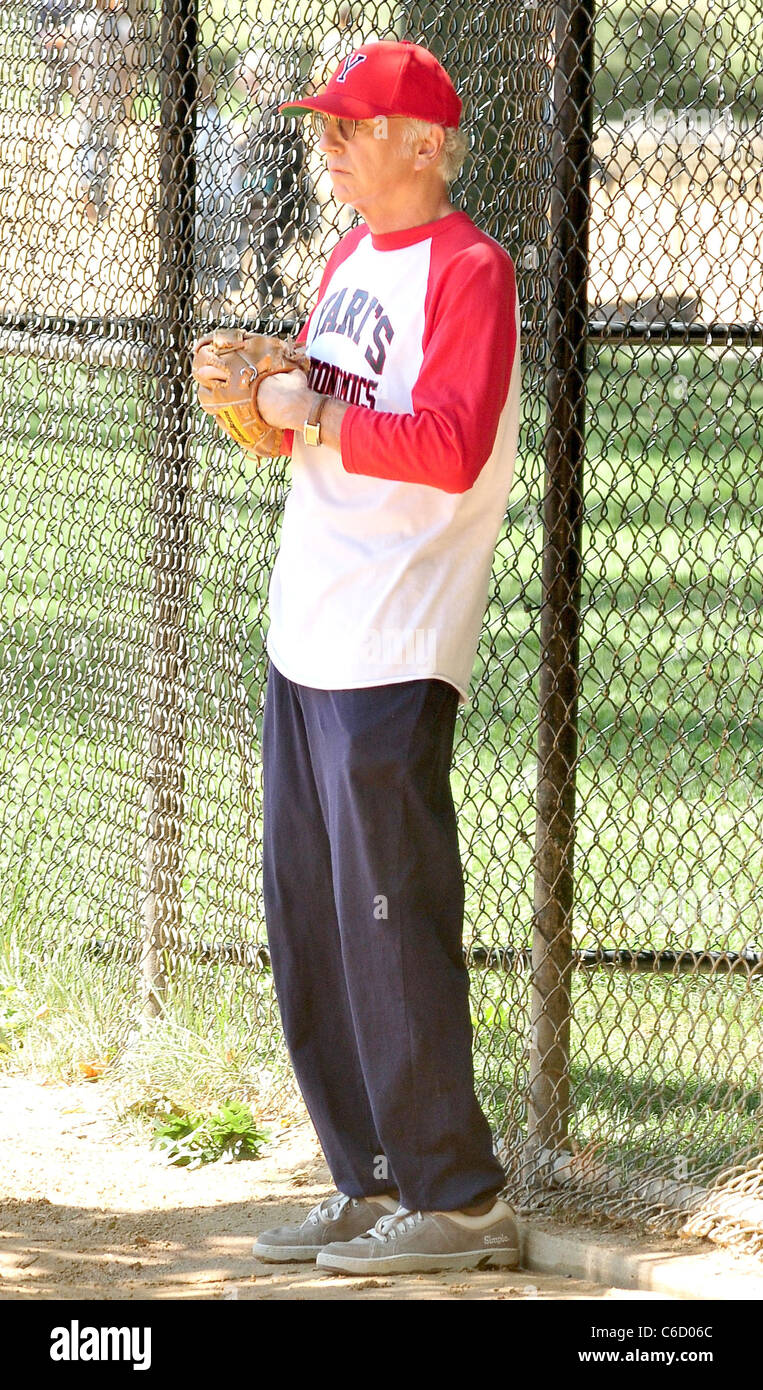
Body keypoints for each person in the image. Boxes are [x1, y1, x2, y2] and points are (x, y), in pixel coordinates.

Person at [193, 39, 522, 1276]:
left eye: (352, 122)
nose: (326, 138)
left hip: (394, 638)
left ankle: (461, 1199)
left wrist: (312, 412)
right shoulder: (345, 256)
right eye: (323, 121)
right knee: (314, 925)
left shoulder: (470, 268)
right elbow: (314, 423)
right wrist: (265, 399)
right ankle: (371, 1177)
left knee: (390, 922)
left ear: (423, 144)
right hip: (308, 628)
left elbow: (442, 443)